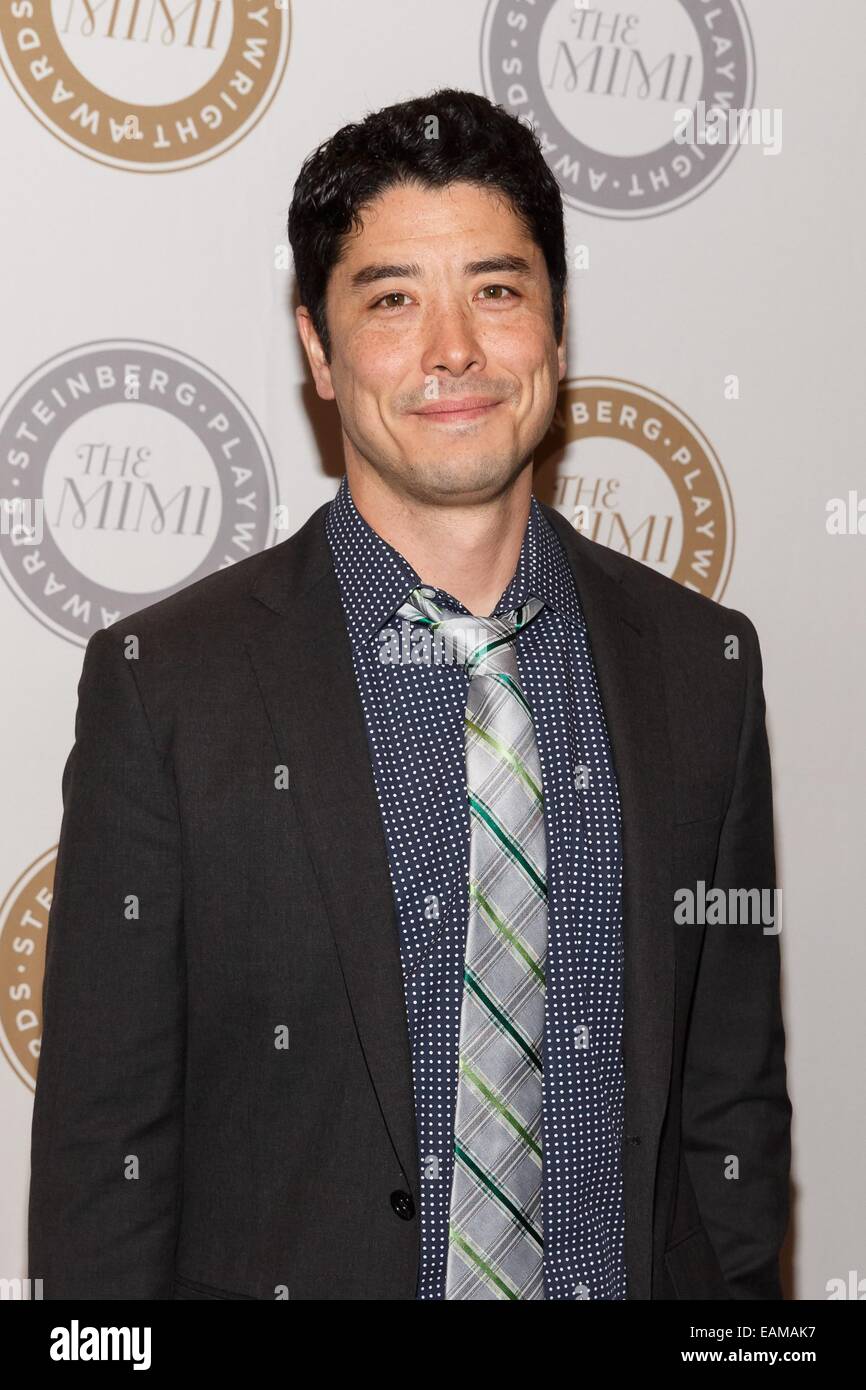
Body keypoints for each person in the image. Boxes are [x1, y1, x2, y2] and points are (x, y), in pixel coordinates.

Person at [28, 88, 791, 1300]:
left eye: (496, 290)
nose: (453, 350)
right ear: (319, 354)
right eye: (391, 301)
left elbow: (730, 1111)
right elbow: (102, 1157)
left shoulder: (702, 666)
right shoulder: (168, 689)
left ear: (553, 325)